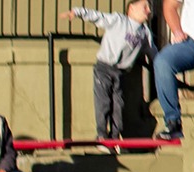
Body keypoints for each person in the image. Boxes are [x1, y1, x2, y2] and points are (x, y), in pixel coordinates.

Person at [66, 2, 155, 141]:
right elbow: (98, 17)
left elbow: (154, 54)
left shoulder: (145, 33)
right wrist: (77, 12)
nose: (149, 11)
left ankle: (114, 138)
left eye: (149, 8)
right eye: (145, 7)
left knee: (118, 105)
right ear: (131, 8)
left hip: (121, 73)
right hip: (104, 67)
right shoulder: (119, 20)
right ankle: (101, 135)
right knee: (104, 102)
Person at [155, 0, 194, 139]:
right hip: (192, 44)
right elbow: (170, 5)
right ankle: (173, 122)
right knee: (163, 62)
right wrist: (177, 31)